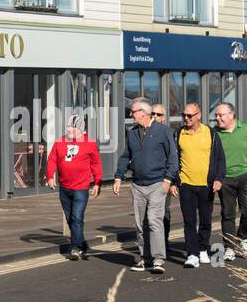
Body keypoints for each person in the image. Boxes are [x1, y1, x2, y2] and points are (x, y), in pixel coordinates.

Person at [113, 98, 179, 273]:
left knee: (154, 220)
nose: (131, 114)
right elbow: (125, 156)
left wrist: (168, 180)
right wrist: (118, 177)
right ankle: (145, 258)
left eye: (133, 111)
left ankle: (158, 259)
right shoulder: (132, 133)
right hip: (137, 184)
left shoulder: (163, 131)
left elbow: (173, 157)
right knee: (140, 224)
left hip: (158, 183)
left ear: (143, 112)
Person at [171, 102, 225, 268]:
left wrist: (218, 179)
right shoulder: (179, 134)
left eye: (190, 115)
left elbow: (220, 159)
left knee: (206, 220)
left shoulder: (211, 133)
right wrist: (174, 181)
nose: (186, 118)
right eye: (184, 115)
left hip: (206, 185)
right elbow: (173, 160)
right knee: (189, 221)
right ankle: (192, 254)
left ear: (198, 115)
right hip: (186, 184)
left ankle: (202, 249)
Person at [45, 117, 103, 261]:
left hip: (81, 188)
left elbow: (96, 164)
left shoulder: (89, 143)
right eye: (68, 127)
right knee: (71, 218)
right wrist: (50, 176)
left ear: (81, 130)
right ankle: (82, 244)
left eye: (73, 127)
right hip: (64, 187)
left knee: (77, 217)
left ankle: (75, 248)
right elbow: (52, 159)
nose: (69, 129)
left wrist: (97, 183)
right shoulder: (60, 142)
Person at [214, 101, 247, 260]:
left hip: (245, 176)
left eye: (220, 115)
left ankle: (243, 238)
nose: (217, 118)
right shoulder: (214, 133)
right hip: (224, 179)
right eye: (216, 115)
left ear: (231, 115)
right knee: (227, 213)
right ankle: (229, 247)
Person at [151, 104, 174, 255]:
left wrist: (172, 181)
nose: (154, 116)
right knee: (149, 215)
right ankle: (151, 245)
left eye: (158, 114)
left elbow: (174, 158)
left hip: (164, 180)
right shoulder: (140, 131)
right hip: (147, 181)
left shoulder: (170, 133)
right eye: (152, 113)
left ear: (164, 118)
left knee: (163, 212)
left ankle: (163, 243)